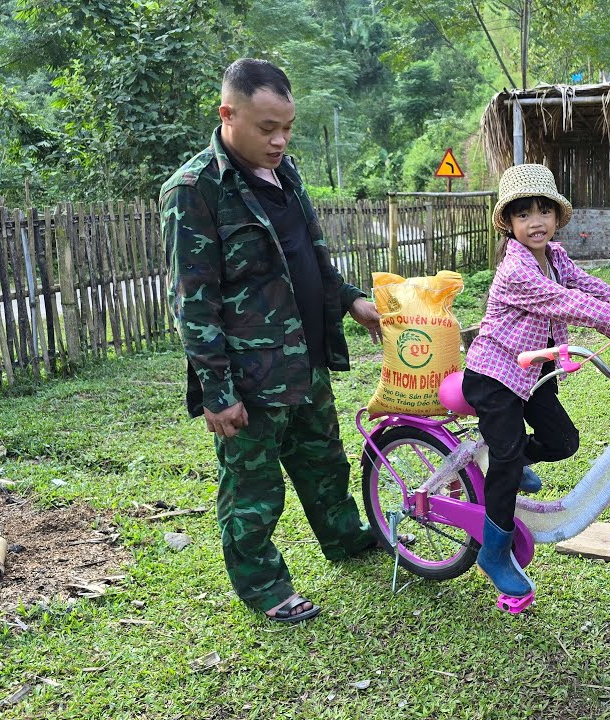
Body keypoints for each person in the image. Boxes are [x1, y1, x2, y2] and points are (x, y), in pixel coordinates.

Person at [161, 59, 381, 624]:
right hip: (250, 377)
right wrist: (216, 391)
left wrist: (352, 300)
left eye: (287, 127)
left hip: (305, 357)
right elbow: (194, 300)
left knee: (325, 463)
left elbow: (312, 257)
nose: (279, 140)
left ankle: (346, 539)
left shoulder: (286, 174)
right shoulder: (195, 190)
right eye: (266, 128)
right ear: (227, 114)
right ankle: (264, 586)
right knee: (254, 490)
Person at [462, 163, 610, 602]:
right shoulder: (515, 270)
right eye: (524, 214)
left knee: (564, 442)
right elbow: (566, 301)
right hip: (495, 374)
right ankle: (493, 552)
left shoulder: (555, 256)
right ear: (509, 224)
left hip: (536, 370)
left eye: (544, 212)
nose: (536, 222)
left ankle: (499, 458)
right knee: (509, 461)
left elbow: (587, 285)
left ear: (556, 215)